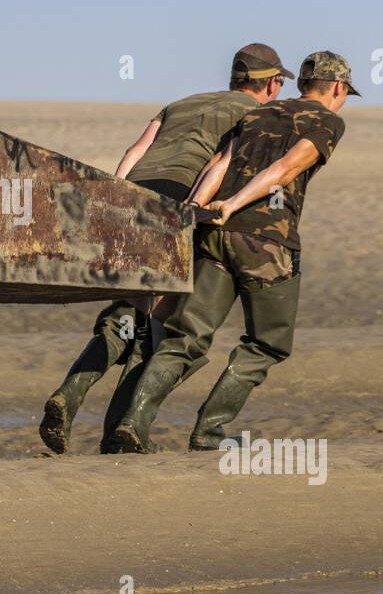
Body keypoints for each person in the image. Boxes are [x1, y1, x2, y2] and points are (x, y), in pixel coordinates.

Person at [38, 44, 293, 454]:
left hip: (135, 195)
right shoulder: (256, 114)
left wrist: (115, 200)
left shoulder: (182, 102)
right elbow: (220, 166)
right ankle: (122, 435)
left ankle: (70, 395)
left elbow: (134, 152)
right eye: (279, 83)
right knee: (157, 325)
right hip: (180, 199)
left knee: (133, 308)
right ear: (271, 84)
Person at [107, 50, 358, 454]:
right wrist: (235, 202)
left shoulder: (259, 114)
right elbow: (287, 168)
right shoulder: (329, 121)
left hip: (215, 235)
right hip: (266, 242)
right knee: (268, 343)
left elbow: (218, 165)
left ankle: (133, 422)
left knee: (186, 337)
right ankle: (208, 433)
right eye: (345, 93)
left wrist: (196, 209)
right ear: (338, 88)